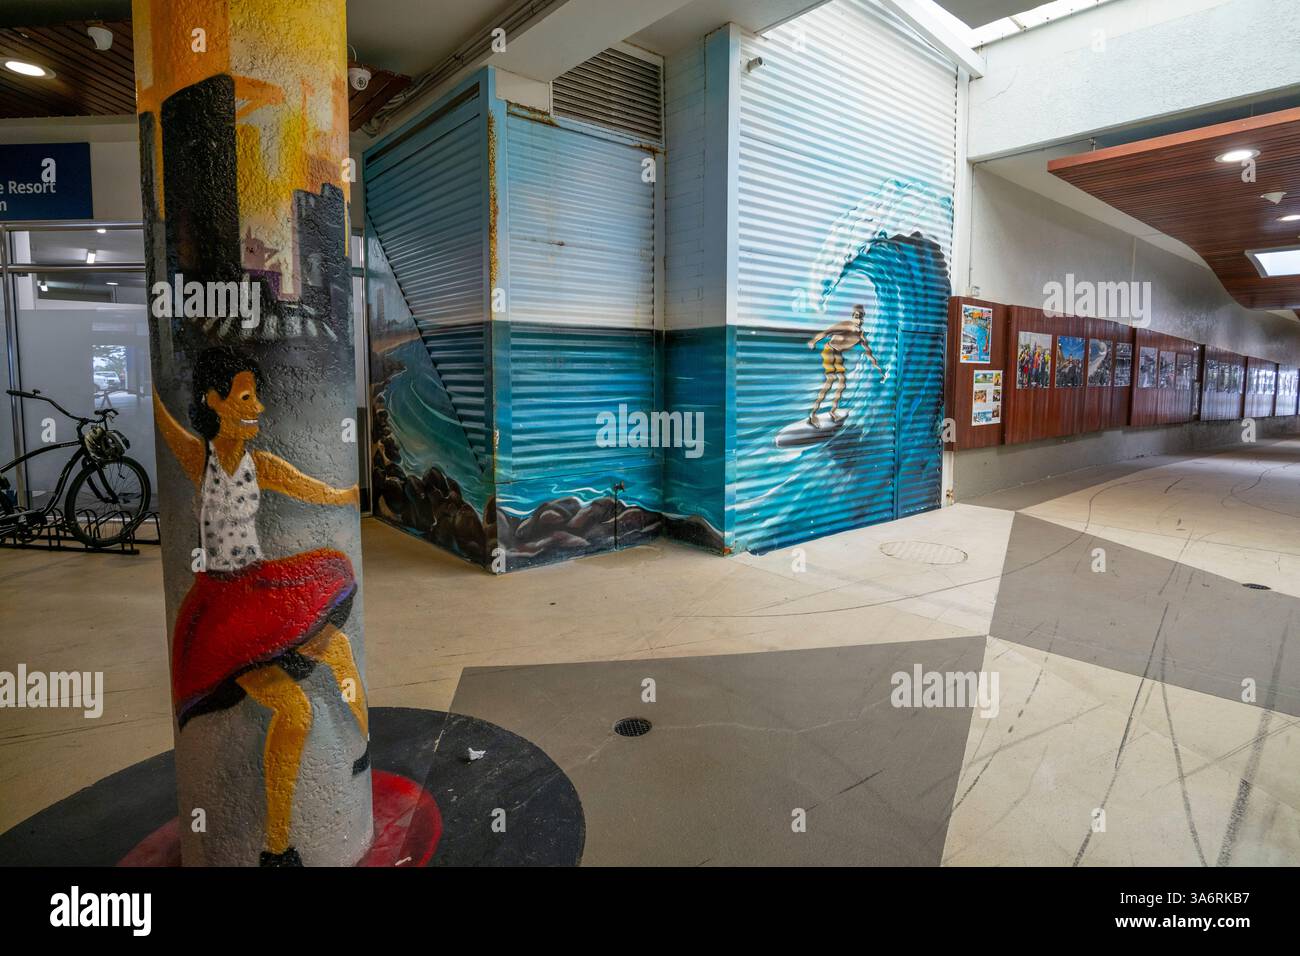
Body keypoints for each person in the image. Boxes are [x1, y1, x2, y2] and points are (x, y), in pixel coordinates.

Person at [153, 347, 365, 867]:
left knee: (338, 652)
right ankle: (276, 845)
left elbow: (315, 489)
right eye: (247, 397)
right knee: (294, 710)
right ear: (214, 402)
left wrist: (350, 494)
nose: (259, 408)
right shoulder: (198, 459)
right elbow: (160, 413)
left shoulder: (261, 465)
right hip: (226, 612)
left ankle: (361, 750)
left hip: (261, 594)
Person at [805, 304, 887, 427]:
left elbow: (869, 354)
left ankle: (832, 411)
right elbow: (826, 332)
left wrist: (879, 370)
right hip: (829, 350)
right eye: (857, 317)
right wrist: (813, 341)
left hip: (838, 353)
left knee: (842, 382)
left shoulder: (861, 336)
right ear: (853, 317)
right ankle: (813, 415)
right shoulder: (846, 325)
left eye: (861, 317)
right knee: (830, 380)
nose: (859, 321)